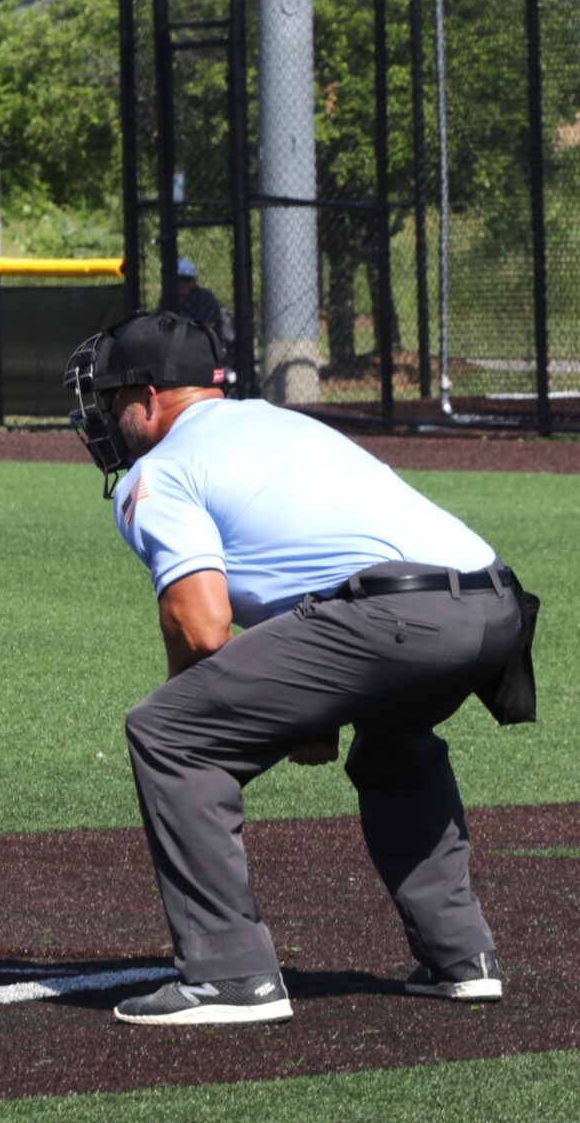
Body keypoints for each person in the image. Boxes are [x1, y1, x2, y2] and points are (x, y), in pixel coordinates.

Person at [65, 311, 539, 1026]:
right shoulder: (276, 422)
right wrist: (296, 708)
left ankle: (229, 976)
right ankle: (462, 957)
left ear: (152, 394)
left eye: (112, 399)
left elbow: (200, 627)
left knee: (169, 733)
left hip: (393, 619)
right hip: (494, 603)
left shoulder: (157, 471)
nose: (106, 417)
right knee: (392, 747)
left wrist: (248, 710)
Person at [172, 258, 235, 350]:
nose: (182, 283)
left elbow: (205, 331)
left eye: (186, 279)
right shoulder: (169, 298)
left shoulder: (205, 298)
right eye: (179, 279)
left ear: (194, 281)